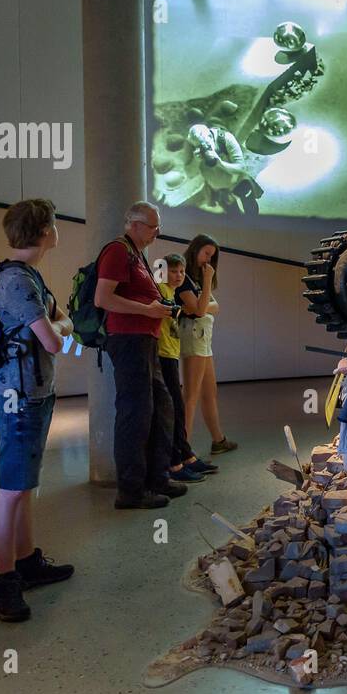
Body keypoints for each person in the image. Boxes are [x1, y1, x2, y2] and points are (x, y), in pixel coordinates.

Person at [0, 198, 75, 624]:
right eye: (55, 223)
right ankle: (4, 581)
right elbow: (56, 337)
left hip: (35, 392)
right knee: (10, 490)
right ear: (44, 232)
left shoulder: (30, 276)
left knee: (24, 487)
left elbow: (57, 327)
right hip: (17, 397)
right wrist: (63, 326)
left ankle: (25, 563)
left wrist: (60, 326)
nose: (57, 230)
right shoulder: (17, 281)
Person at [94, 201, 188, 509]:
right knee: (135, 414)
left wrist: (157, 309)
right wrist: (147, 309)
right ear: (134, 224)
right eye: (152, 226)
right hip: (128, 341)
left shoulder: (137, 255)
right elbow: (104, 297)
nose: (157, 232)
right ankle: (131, 489)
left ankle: (156, 477)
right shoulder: (117, 251)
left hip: (146, 341)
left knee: (160, 407)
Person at [156, 253, 217, 481]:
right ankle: (175, 464)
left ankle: (186, 455)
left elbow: (211, 307)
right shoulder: (162, 291)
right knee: (177, 405)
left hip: (171, 351)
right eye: (174, 271)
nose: (179, 276)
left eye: (182, 272)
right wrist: (208, 278)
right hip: (163, 353)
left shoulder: (172, 292)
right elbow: (202, 309)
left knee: (179, 405)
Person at [177, 233, 237, 457]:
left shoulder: (195, 278)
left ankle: (218, 440)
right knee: (190, 396)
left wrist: (205, 301)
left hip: (202, 337)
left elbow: (212, 305)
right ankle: (184, 451)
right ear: (195, 250)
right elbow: (201, 308)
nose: (208, 261)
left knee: (209, 392)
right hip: (193, 335)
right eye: (206, 254)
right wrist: (206, 289)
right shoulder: (184, 277)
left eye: (212, 257)